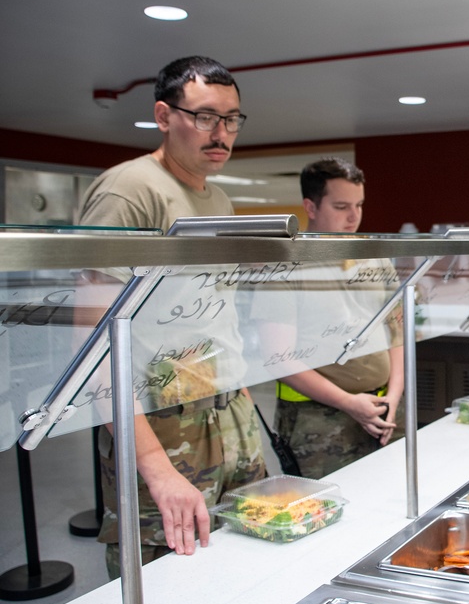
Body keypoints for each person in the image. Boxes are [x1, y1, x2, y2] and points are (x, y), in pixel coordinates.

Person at [76, 56, 267, 577]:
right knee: (168, 578)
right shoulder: (130, 190)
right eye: (205, 116)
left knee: (240, 568)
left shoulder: (219, 198)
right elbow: (91, 342)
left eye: (231, 119)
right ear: (164, 116)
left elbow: (212, 311)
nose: (221, 133)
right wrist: (156, 469)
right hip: (162, 423)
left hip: (227, 410)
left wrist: (240, 391)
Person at [261, 158, 404, 478]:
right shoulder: (286, 265)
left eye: (359, 205)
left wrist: (393, 397)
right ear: (310, 207)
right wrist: (350, 403)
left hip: (384, 409)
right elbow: (277, 359)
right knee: (327, 513)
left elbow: (396, 334)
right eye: (341, 206)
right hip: (317, 419)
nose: (354, 216)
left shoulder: (374, 257)